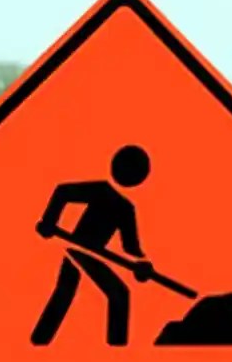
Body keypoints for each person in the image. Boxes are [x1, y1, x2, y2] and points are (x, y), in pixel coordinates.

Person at [30, 145, 153, 347]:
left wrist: (143, 265)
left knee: (73, 291)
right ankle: (38, 343)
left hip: (95, 256)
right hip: (77, 251)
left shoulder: (125, 208)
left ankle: (39, 341)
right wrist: (50, 220)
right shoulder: (101, 190)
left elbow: (131, 248)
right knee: (94, 293)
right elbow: (63, 192)